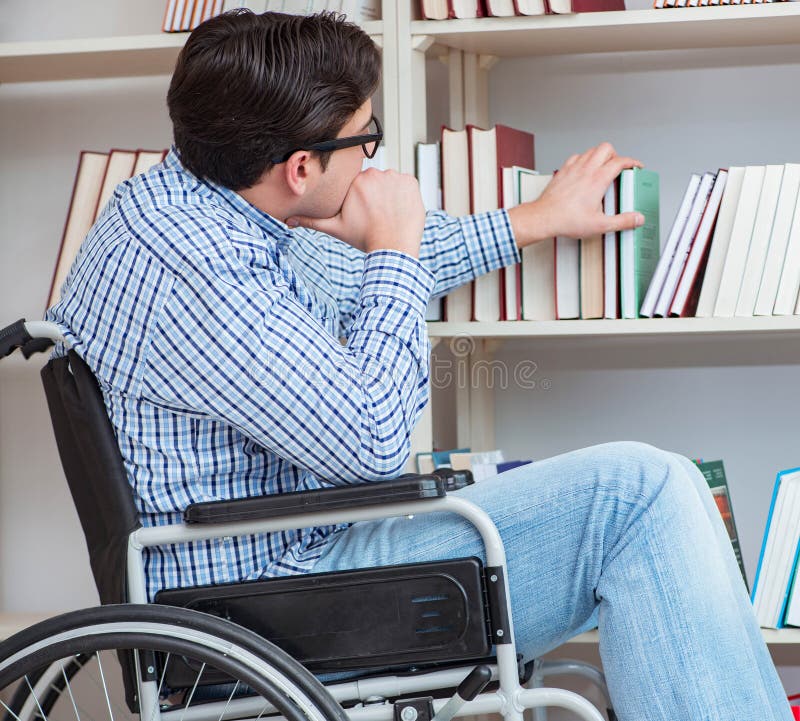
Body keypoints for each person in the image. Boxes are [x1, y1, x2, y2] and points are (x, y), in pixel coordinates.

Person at [46, 9, 792, 720]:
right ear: (302, 168)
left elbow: (343, 274)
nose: (376, 159)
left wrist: (528, 221)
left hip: (264, 570)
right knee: (644, 494)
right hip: (279, 603)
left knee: (639, 490)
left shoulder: (184, 198)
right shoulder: (203, 275)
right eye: (365, 138)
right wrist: (394, 243)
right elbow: (373, 440)